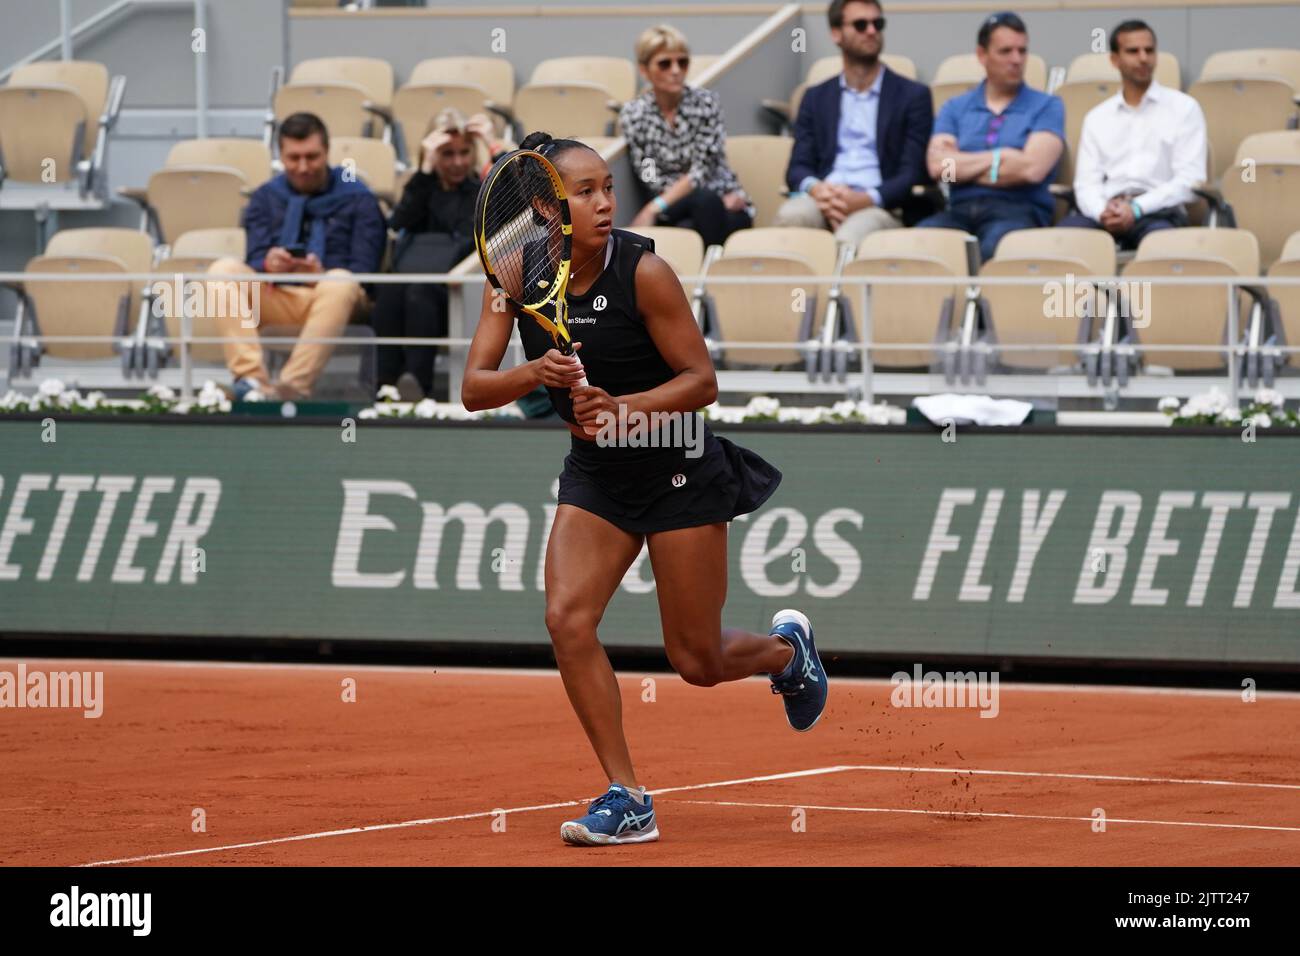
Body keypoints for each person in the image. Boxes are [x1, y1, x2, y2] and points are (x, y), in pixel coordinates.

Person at [462, 131, 828, 847]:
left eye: (608, 187)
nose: (606, 202)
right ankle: (627, 795)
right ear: (544, 207)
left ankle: (788, 655)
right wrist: (534, 375)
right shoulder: (513, 275)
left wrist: (628, 410)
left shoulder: (645, 271)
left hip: (677, 465)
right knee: (568, 620)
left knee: (696, 661)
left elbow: (703, 382)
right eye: (585, 192)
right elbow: (475, 389)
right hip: (597, 472)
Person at [208, 112, 386, 400]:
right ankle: (252, 382)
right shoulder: (265, 198)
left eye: (312, 157)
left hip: (337, 301)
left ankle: (292, 388)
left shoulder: (358, 197)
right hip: (280, 294)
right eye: (294, 158)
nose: (303, 167)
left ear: (327, 152)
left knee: (339, 280)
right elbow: (253, 258)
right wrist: (268, 264)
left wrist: (320, 274)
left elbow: (365, 271)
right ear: (281, 156)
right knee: (222, 269)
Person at [776, 0, 934, 243]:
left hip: (881, 205)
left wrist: (866, 198)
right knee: (791, 217)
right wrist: (817, 190)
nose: (871, 31)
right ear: (836, 33)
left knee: (850, 237)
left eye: (877, 23)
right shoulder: (815, 97)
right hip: (825, 196)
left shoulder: (913, 96)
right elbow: (797, 167)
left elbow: (912, 173)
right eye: (861, 25)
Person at [376, 109, 507, 400]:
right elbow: (399, 222)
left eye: (464, 152)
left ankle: (416, 387)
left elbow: (517, 195)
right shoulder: (423, 189)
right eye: (447, 154)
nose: (458, 162)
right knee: (389, 293)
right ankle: (384, 387)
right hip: (419, 279)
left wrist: (492, 143)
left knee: (418, 294)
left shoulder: (481, 189)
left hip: (465, 288)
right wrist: (424, 168)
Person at [917, 11, 1065, 262]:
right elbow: (940, 170)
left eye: (1022, 51)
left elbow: (1031, 171)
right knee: (919, 246)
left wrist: (962, 163)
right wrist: (1002, 157)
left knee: (995, 251)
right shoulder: (956, 107)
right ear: (982, 55)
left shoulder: (1047, 106)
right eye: (1006, 51)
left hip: (1019, 211)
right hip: (960, 210)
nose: (1016, 60)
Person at [1060, 20, 1206, 248]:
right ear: (1114, 59)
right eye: (1133, 51)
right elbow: (1086, 184)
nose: (1143, 58)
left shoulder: (1184, 108)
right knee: (1061, 241)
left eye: (1149, 50)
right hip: (1106, 211)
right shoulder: (1097, 117)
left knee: (1161, 247)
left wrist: (1137, 208)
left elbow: (1190, 182)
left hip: (1159, 213)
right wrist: (1102, 213)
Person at [620, 24, 753, 246]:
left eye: (682, 62)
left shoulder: (706, 103)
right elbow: (649, 174)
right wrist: (663, 203)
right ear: (644, 70)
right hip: (670, 204)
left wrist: (653, 208)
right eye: (665, 63)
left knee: (706, 205)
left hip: (723, 200)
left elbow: (702, 170)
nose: (676, 70)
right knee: (700, 207)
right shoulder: (634, 114)